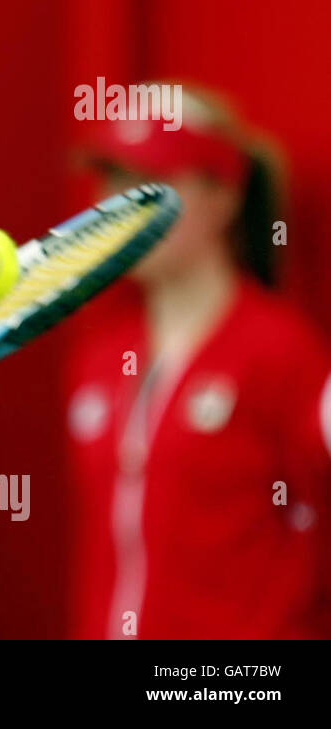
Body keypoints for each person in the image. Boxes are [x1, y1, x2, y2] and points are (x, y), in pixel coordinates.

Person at [65, 83, 331, 639]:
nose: (124, 204)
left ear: (224, 194)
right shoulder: (101, 358)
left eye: (151, 181)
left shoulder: (282, 352)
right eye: (114, 178)